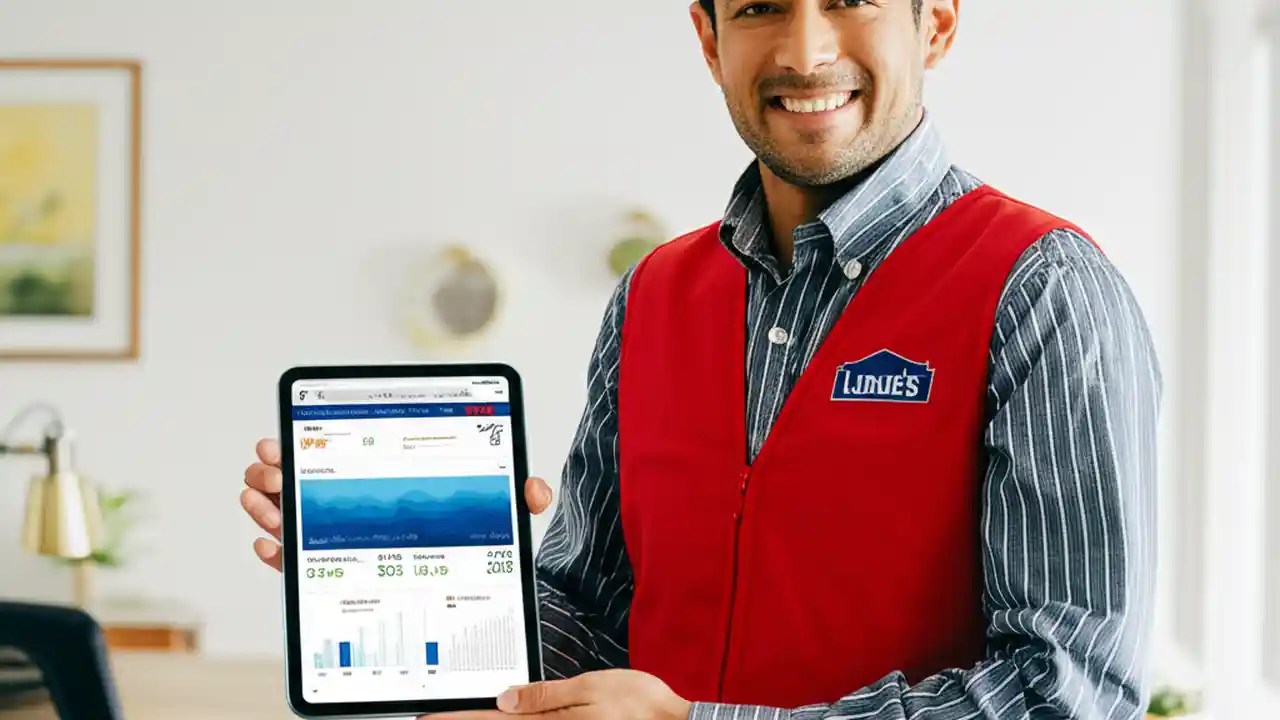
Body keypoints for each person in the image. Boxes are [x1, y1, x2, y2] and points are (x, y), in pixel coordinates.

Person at [241, 1, 1161, 718]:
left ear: (938, 26)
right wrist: (416, 569)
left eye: (850, 3)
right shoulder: (652, 295)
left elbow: (1066, 692)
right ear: (709, 41)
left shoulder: (1042, 291)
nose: (805, 52)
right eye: (759, 9)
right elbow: (599, 623)